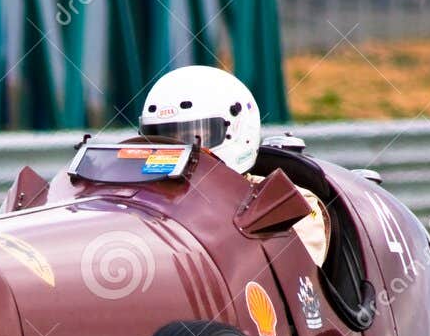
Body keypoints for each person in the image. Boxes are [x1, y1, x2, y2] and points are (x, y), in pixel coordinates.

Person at [139, 65, 329, 265]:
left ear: (236, 129)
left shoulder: (286, 204)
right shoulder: (143, 203)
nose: (179, 150)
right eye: (165, 139)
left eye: (195, 137)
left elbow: (291, 275)